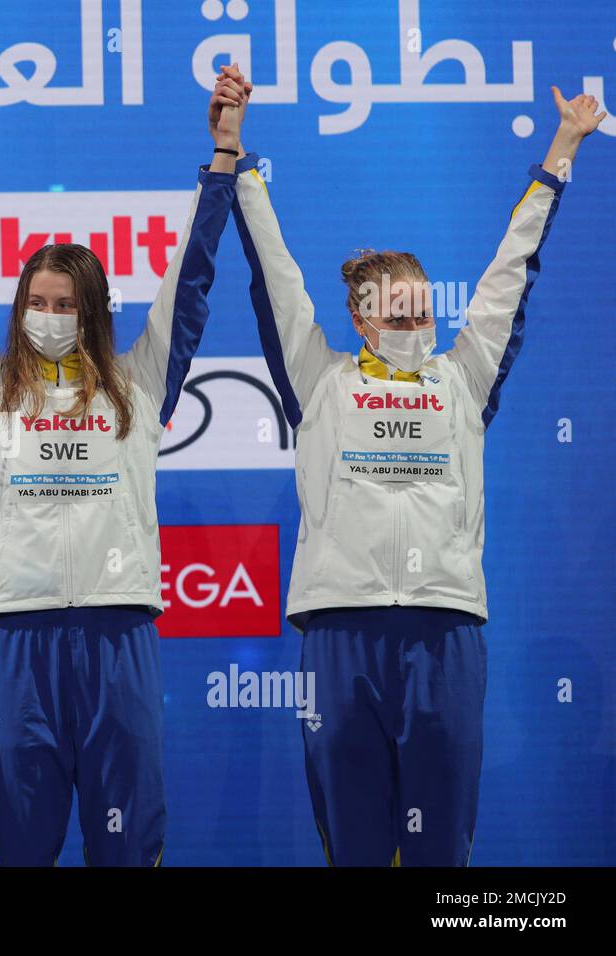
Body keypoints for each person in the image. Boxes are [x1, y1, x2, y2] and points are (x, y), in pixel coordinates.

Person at [221, 62, 605, 865]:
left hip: (444, 629)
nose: (414, 321)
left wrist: (560, 153)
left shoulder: (462, 379)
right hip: (338, 629)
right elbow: (277, 278)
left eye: (423, 308)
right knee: (356, 849)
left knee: (441, 857)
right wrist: (236, 158)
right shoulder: (320, 380)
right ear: (360, 319)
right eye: (396, 311)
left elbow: (508, 277)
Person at [0, 73, 249, 865]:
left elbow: (189, 278)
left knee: (128, 846)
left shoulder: (137, 382)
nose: (49, 316)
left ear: (93, 311)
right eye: (35, 303)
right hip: (17, 639)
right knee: (20, 847)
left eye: (65, 303)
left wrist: (222, 156)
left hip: (119, 635)